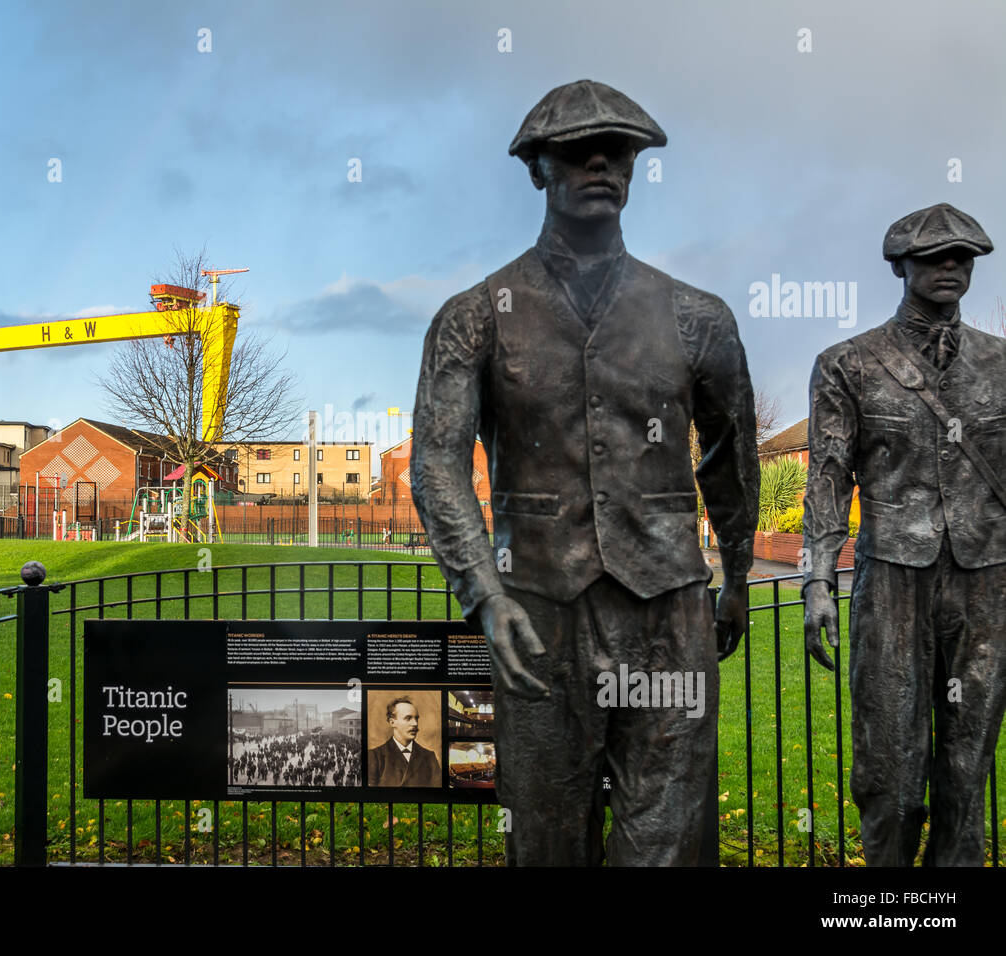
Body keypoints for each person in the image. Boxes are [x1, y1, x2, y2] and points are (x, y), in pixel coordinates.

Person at [410, 80, 758, 865]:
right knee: (545, 838)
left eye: (620, 151)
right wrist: (484, 593)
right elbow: (435, 463)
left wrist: (735, 574)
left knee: (665, 836)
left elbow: (731, 456)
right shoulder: (474, 316)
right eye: (576, 151)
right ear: (538, 168)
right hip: (539, 617)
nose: (600, 163)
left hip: (669, 616)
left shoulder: (698, 316)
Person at [803, 203, 1003, 866]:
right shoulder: (849, 365)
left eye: (961, 258)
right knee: (889, 765)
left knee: (968, 764)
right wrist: (816, 581)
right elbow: (828, 479)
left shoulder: (1002, 365)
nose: (949, 268)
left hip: (986, 581)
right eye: (933, 257)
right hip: (892, 577)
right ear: (900, 266)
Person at [367, 697, 442, 787]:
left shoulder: (429, 757)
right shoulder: (375, 756)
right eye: (408, 718)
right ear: (392, 722)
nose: (415, 723)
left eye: (416, 718)